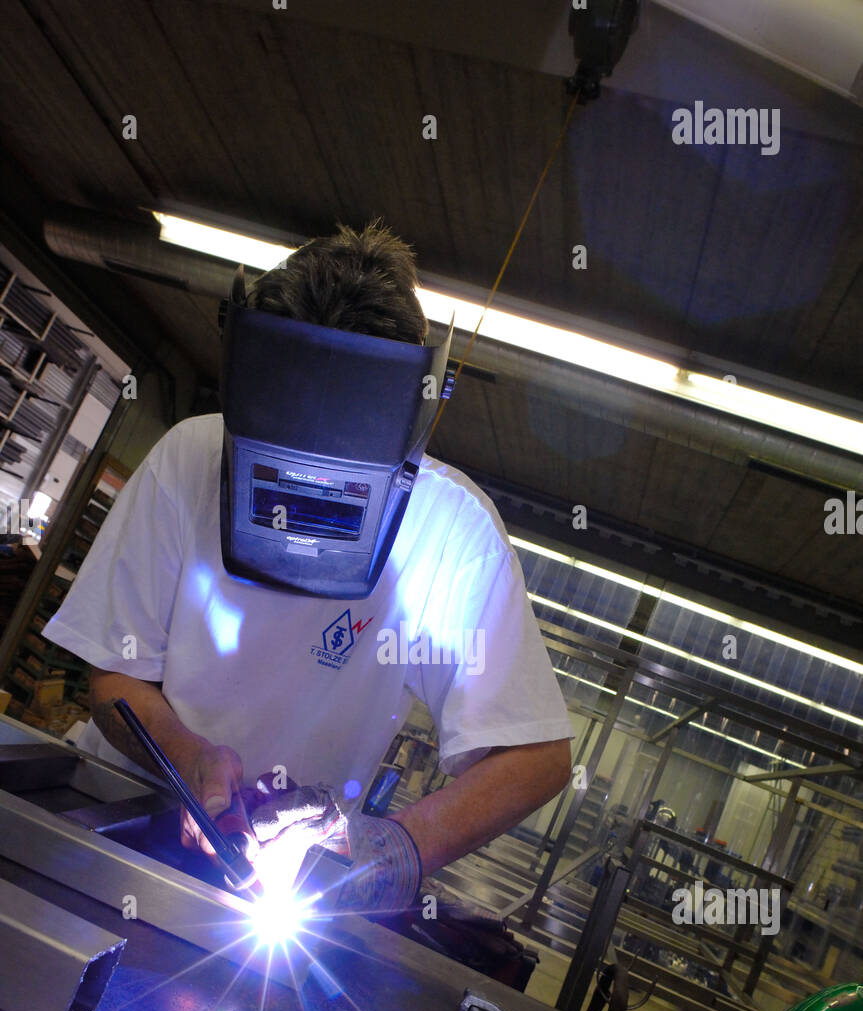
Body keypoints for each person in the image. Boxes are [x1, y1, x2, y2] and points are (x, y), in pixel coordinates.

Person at [43, 220, 573, 911]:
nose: (298, 508)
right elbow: (117, 672)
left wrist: (379, 848)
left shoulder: (450, 532)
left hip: (280, 873)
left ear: (401, 434)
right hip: (119, 802)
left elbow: (534, 757)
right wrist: (187, 756)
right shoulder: (188, 457)